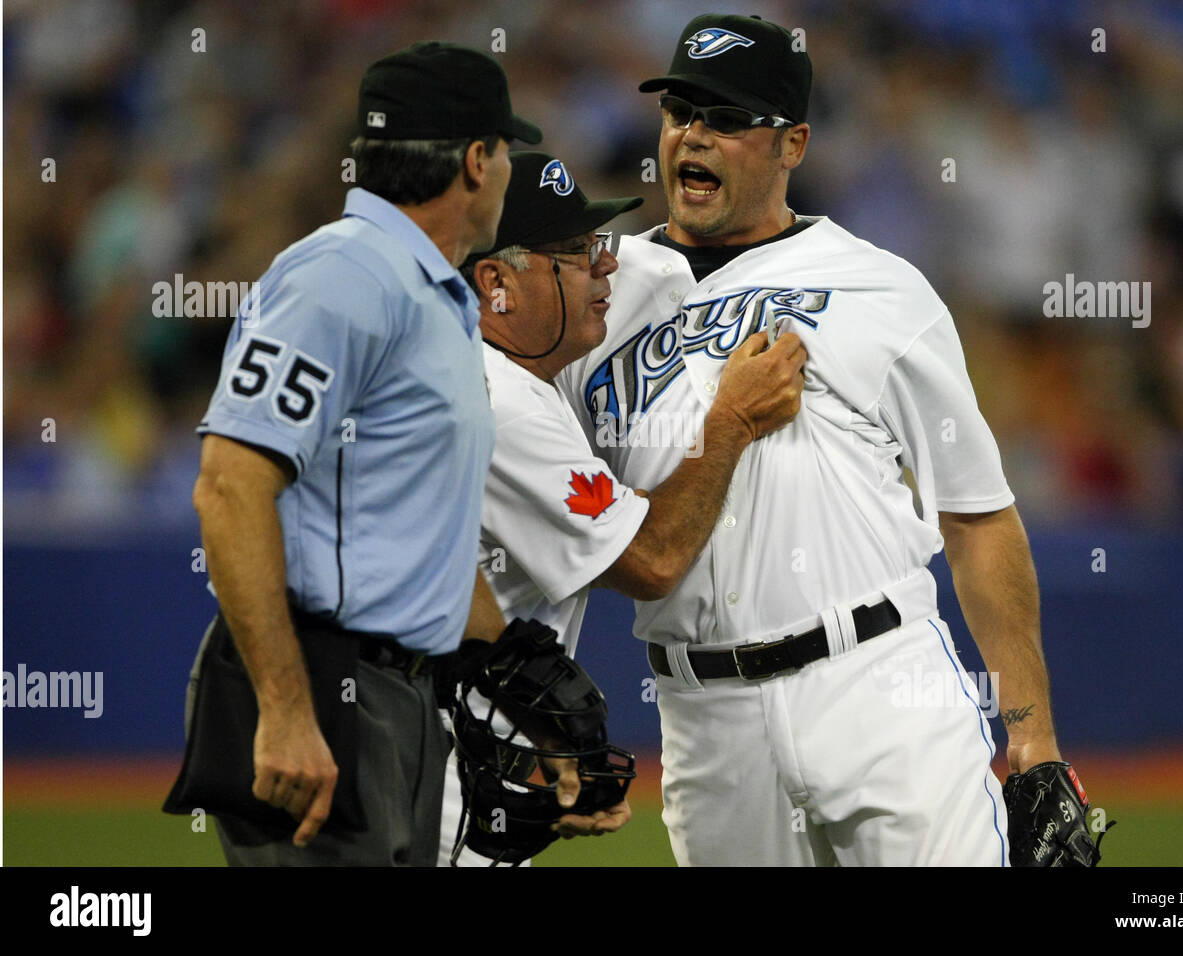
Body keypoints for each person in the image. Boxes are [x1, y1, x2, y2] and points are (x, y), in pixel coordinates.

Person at [555, 13, 1079, 866]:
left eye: (728, 119)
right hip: (703, 720)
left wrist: (1035, 742)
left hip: (876, 679)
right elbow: (548, 504)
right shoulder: (595, 302)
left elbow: (979, 518)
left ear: (792, 142)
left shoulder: (880, 288)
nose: (695, 136)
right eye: (681, 111)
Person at [180, 42, 544, 866]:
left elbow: (420, 537)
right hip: (321, 685)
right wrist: (285, 707)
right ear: (476, 161)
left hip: (401, 697)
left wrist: (529, 697)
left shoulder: (428, 287)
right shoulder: (339, 277)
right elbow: (230, 486)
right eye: (507, 151)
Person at [442, 150, 807, 865]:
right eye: (575, 253)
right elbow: (653, 558)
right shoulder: (497, 399)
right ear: (497, 284)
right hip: (434, 772)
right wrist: (729, 420)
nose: (604, 266)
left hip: (436, 747)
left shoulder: (465, 368)